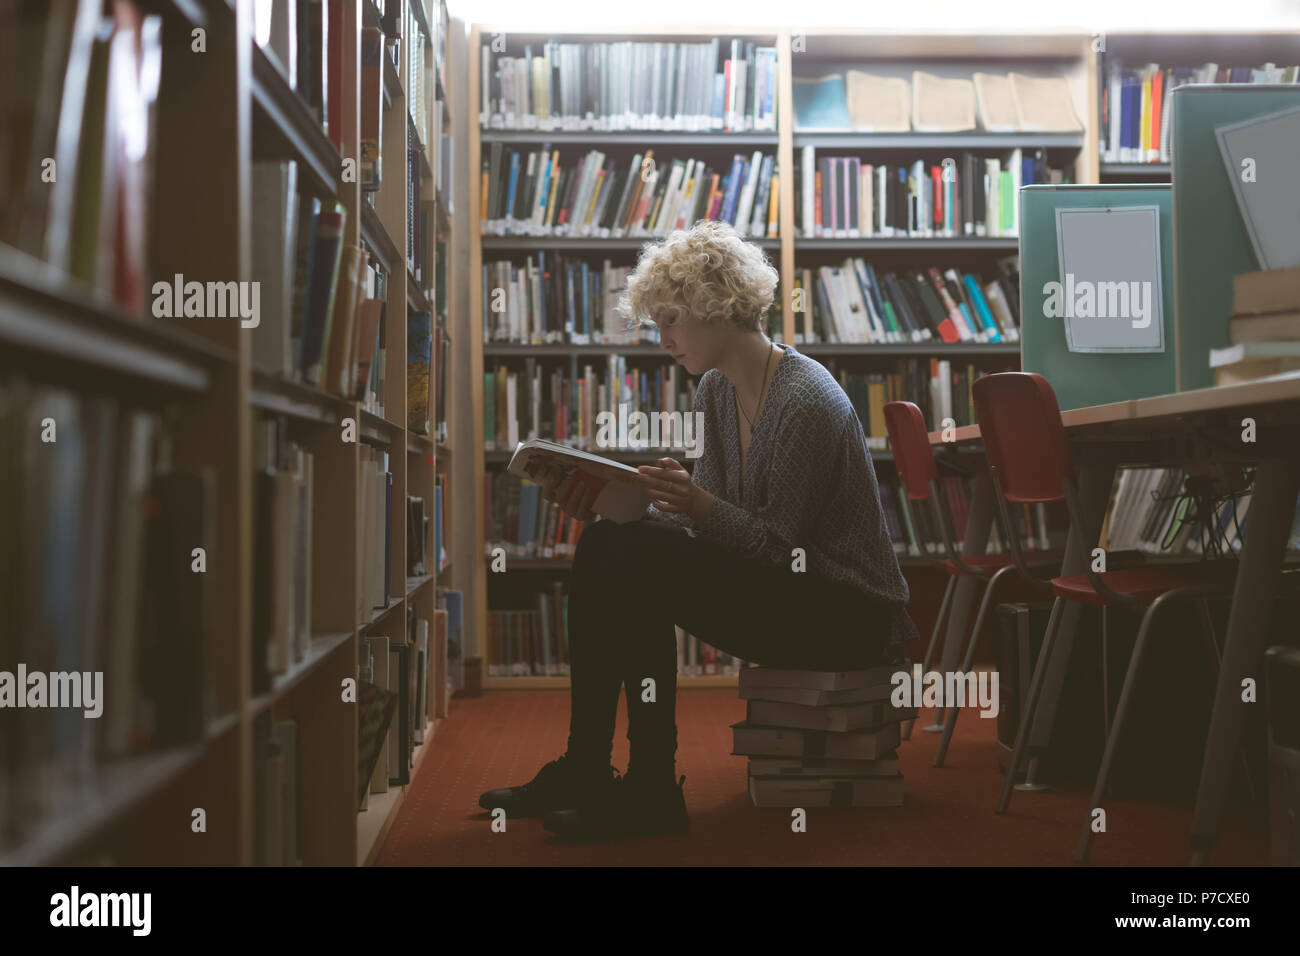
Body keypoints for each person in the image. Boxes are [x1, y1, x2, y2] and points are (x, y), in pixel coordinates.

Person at [478, 219, 917, 841]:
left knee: (635, 557)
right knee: (611, 541)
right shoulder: (716, 389)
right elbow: (713, 531)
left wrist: (697, 505)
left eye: (670, 321)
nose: (663, 340)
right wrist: (617, 505)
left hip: (844, 611)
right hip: (782, 592)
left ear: (715, 308)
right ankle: (591, 767)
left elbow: (777, 547)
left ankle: (649, 784)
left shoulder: (806, 402)